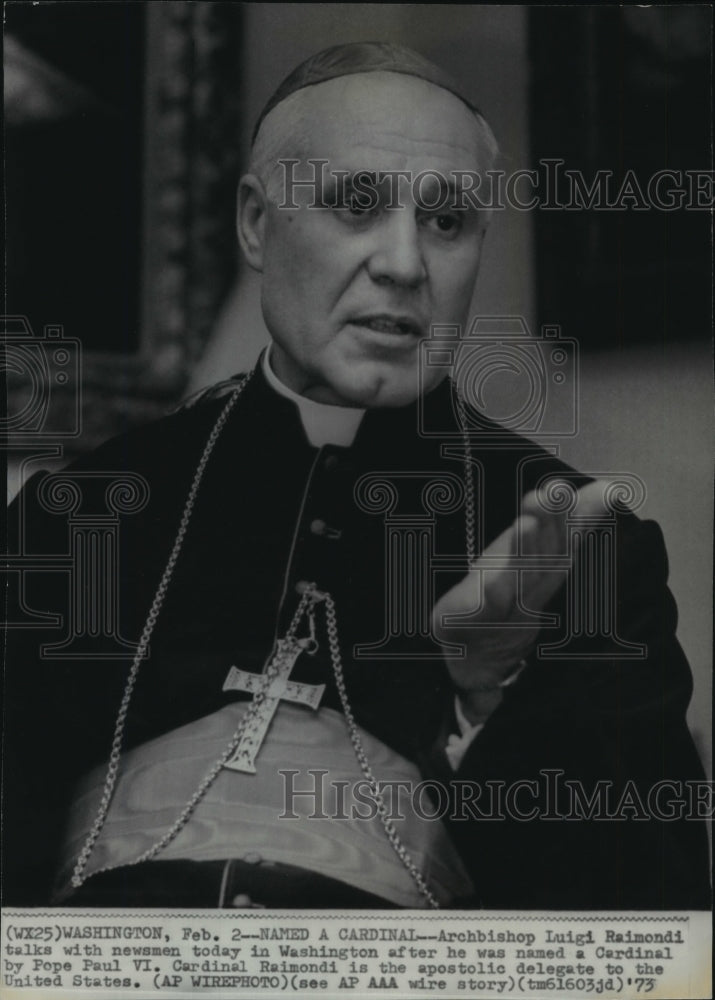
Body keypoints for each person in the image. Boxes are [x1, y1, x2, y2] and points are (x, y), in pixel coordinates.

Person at [3, 42, 710, 910]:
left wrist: (493, 699)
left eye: (446, 222)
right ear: (256, 225)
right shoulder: (75, 521)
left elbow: (652, 936)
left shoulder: (585, 552)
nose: (405, 264)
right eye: (356, 205)